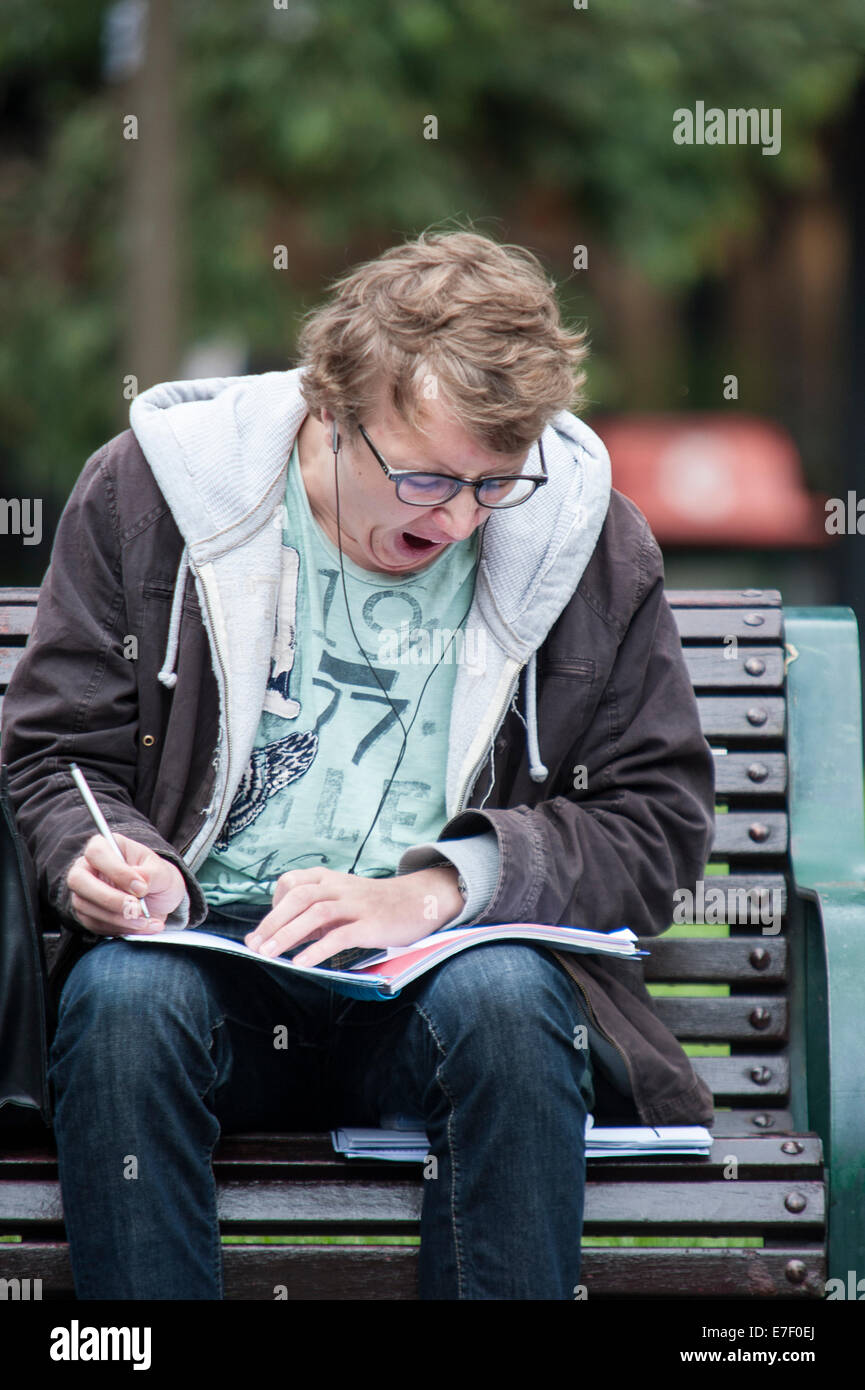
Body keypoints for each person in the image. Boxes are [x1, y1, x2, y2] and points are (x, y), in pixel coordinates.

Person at [0, 230, 715, 1301]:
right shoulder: (152, 495)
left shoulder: (586, 542)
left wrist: (433, 891)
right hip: (204, 957)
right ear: (328, 411)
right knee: (124, 999)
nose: (457, 517)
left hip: (438, 979)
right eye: (425, 476)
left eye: (492, 483)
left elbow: (656, 819)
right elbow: (61, 755)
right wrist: (109, 862)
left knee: (513, 1002)